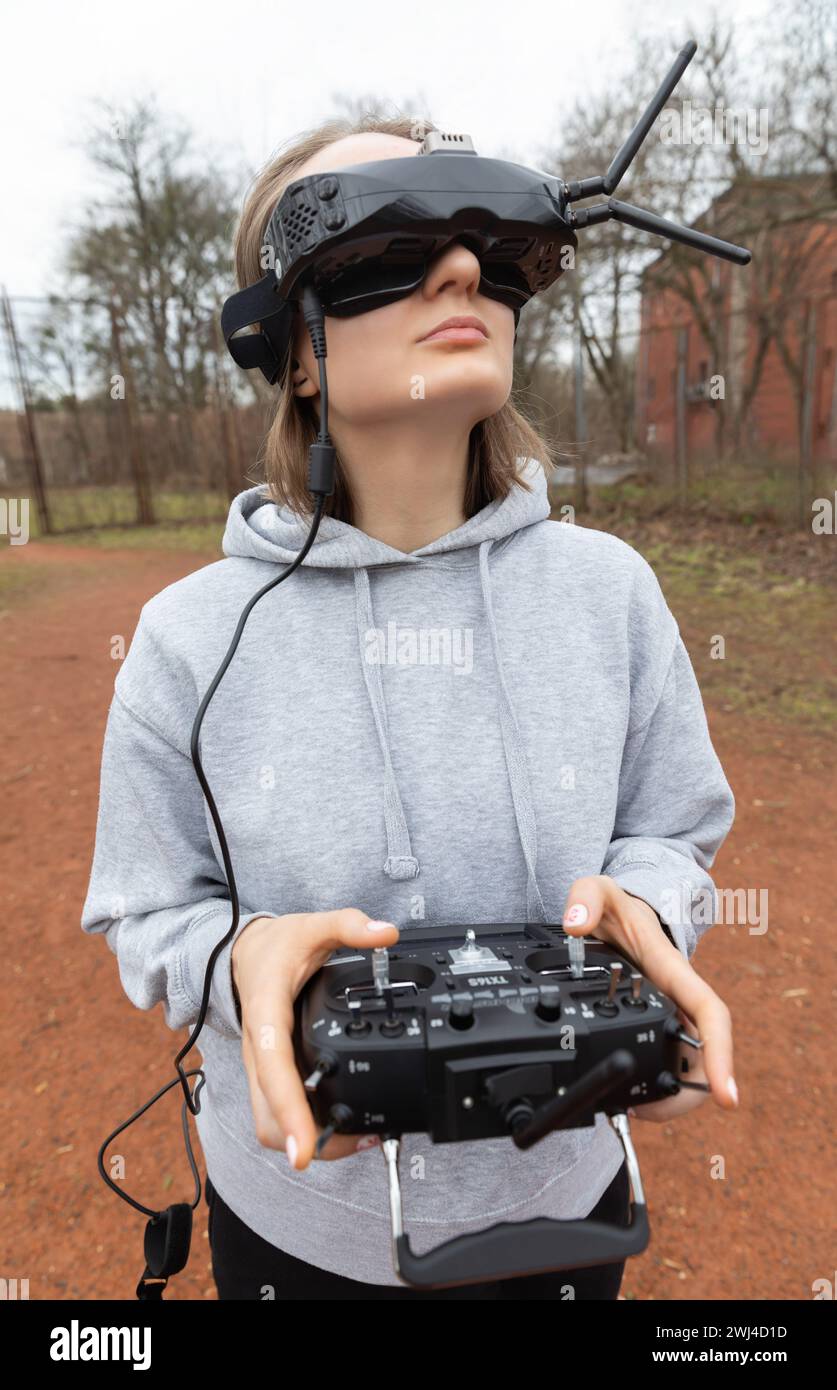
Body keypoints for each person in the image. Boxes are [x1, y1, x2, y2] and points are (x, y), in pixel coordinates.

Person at [80, 114, 738, 1301]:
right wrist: (237, 961)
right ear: (294, 350)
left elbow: (674, 828)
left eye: (477, 235)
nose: (459, 273)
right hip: (296, 1221)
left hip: (566, 1208)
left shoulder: (613, 592)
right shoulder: (188, 640)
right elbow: (143, 910)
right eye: (381, 240)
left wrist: (645, 904)